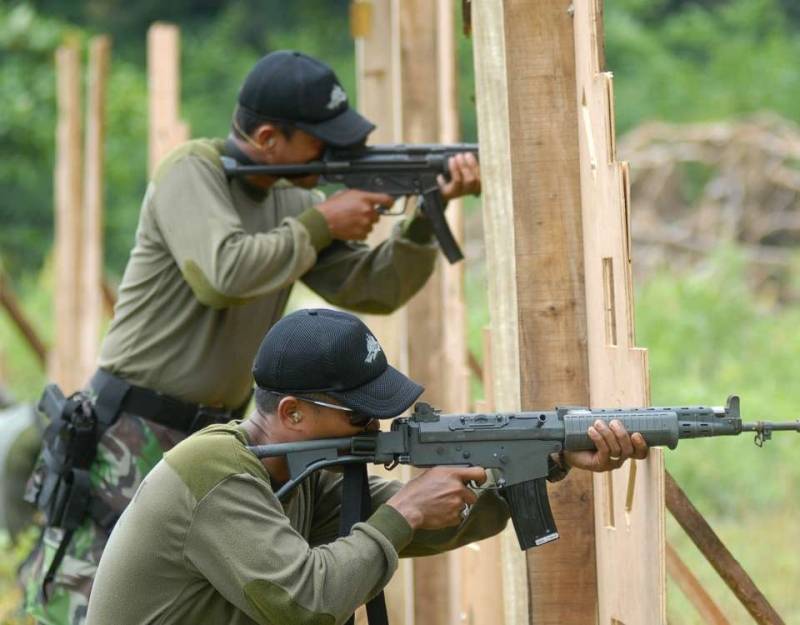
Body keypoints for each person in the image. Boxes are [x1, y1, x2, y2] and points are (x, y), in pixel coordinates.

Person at [19, 50, 480, 625]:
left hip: (227, 431)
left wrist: (419, 220)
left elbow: (373, 288)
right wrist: (321, 222)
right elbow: (221, 274)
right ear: (267, 137)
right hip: (134, 427)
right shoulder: (191, 171)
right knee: (76, 599)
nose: (332, 155)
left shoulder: (291, 199)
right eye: (319, 139)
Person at [84, 309, 650, 625]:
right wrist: (405, 507)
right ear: (292, 414)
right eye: (361, 414)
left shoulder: (306, 470)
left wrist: (542, 459)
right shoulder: (217, 472)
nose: (377, 428)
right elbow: (305, 600)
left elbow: (429, 526)